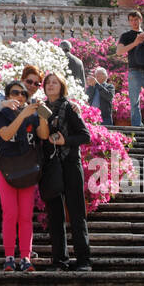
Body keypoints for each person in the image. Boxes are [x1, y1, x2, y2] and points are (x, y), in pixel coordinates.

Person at [0, 66, 43, 258]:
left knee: (23, 212)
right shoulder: (5, 97)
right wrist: (4, 103)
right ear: (22, 79)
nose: (31, 86)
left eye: (36, 84)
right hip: (3, 161)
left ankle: (25, 250)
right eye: (29, 81)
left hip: (26, 163)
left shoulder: (32, 105)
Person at [0, 80, 50, 272]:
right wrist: (22, 115)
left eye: (23, 94)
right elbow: (6, 135)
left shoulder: (31, 115)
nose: (20, 97)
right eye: (15, 93)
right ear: (7, 96)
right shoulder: (2, 115)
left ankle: (25, 257)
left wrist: (42, 116)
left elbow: (43, 135)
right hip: (6, 168)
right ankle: (9, 257)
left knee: (25, 215)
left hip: (28, 168)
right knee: (10, 213)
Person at [38, 73, 92, 271]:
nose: (51, 86)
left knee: (77, 213)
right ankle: (59, 260)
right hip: (51, 166)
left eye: (55, 83)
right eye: (48, 83)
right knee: (55, 215)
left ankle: (84, 260)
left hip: (70, 164)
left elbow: (85, 135)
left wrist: (64, 141)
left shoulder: (68, 107)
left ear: (61, 87)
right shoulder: (40, 109)